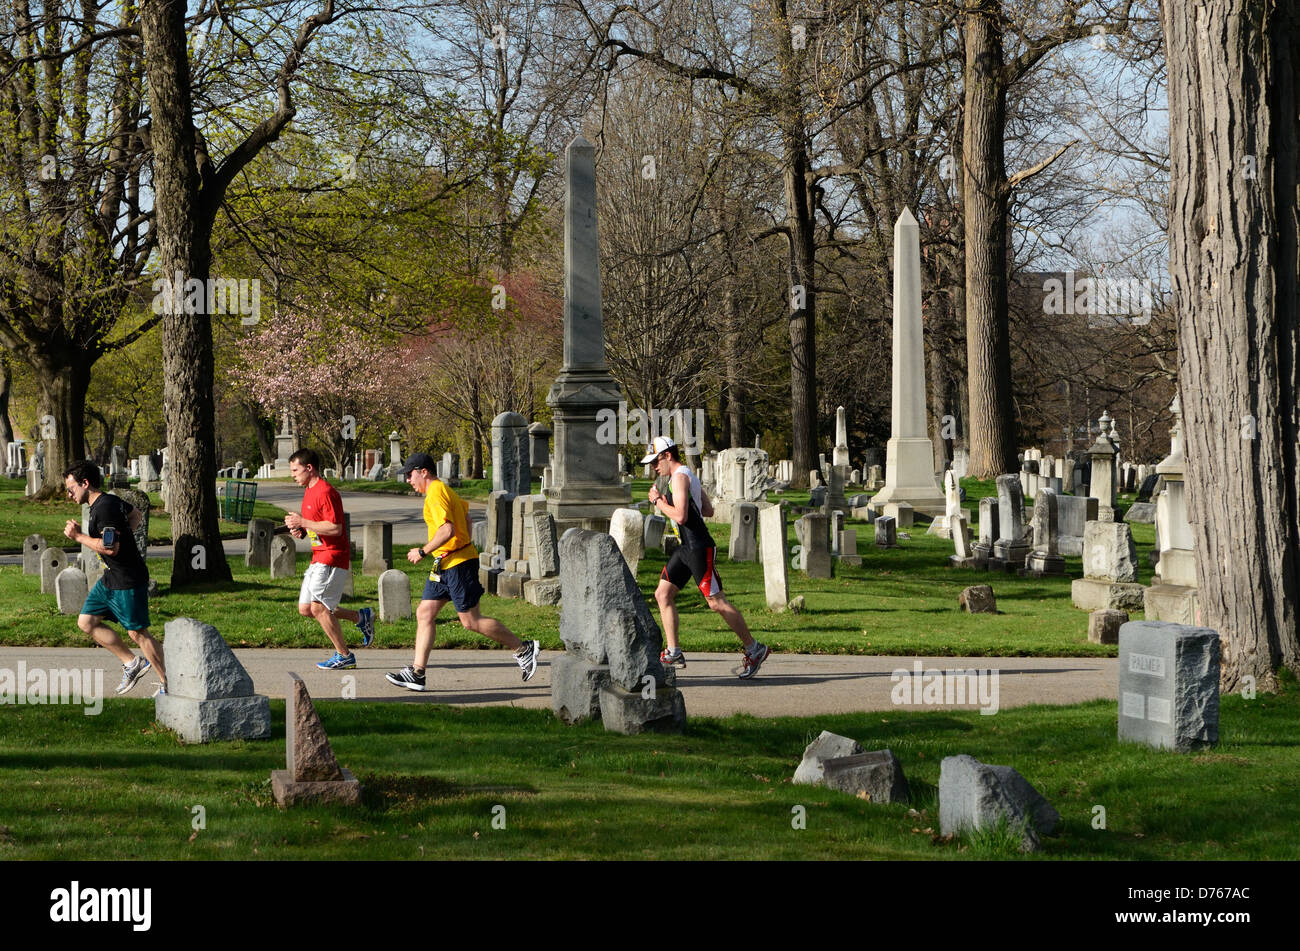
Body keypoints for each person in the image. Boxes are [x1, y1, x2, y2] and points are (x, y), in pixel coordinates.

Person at [385, 452, 538, 691]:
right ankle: (417, 673)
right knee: (425, 613)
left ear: (423, 472)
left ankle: (523, 648)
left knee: (471, 621)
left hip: (457, 565)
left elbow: (447, 530)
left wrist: (423, 552)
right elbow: (465, 519)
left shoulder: (435, 494)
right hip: (446, 563)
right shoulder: (443, 490)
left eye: (410, 474)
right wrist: (452, 549)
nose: (408, 480)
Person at [642, 436, 769, 679]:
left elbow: (680, 517)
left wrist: (658, 501)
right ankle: (673, 651)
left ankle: (755, 649)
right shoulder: (686, 476)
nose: (654, 468)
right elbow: (708, 510)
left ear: (668, 455)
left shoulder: (679, 477)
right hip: (685, 547)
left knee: (716, 602)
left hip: (698, 547)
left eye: (655, 462)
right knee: (662, 594)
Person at [62, 461, 166, 696]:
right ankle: (132, 663)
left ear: (85, 483)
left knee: (137, 632)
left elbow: (111, 548)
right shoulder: (110, 501)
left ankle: (169, 683)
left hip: (128, 578)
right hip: (112, 577)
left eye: (71, 489)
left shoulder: (104, 508)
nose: (69, 495)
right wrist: (125, 533)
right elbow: (135, 515)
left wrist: (78, 536)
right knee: (86, 622)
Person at [282, 448, 375, 669]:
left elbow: (335, 528)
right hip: (319, 556)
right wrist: (301, 531)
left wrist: (303, 522)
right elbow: (317, 525)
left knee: (318, 607)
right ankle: (359, 617)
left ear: (309, 468)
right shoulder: (309, 491)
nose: (293, 474)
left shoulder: (325, 492)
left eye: (295, 470)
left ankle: (344, 655)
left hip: (333, 557)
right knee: (306, 608)